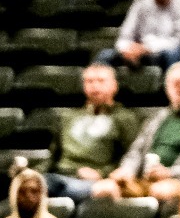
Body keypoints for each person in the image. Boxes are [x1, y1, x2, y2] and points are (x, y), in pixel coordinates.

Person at [104, 62, 180, 201]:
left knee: (159, 191)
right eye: (176, 84)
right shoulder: (156, 118)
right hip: (143, 178)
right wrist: (126, 171)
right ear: (167, 88)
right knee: (105, 189)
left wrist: (169, 172)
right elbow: (136, 151)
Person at [45, 65, 142, 202]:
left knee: (104, 190)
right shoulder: (68, 117)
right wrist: (30, 174)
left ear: (114, 86)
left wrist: (102, 173)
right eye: (89, 81)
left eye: (101, 81)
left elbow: (130, 157)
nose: (95, 86)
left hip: (95, 182)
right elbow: (53, 156)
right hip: (59, 176)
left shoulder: (124, 118)